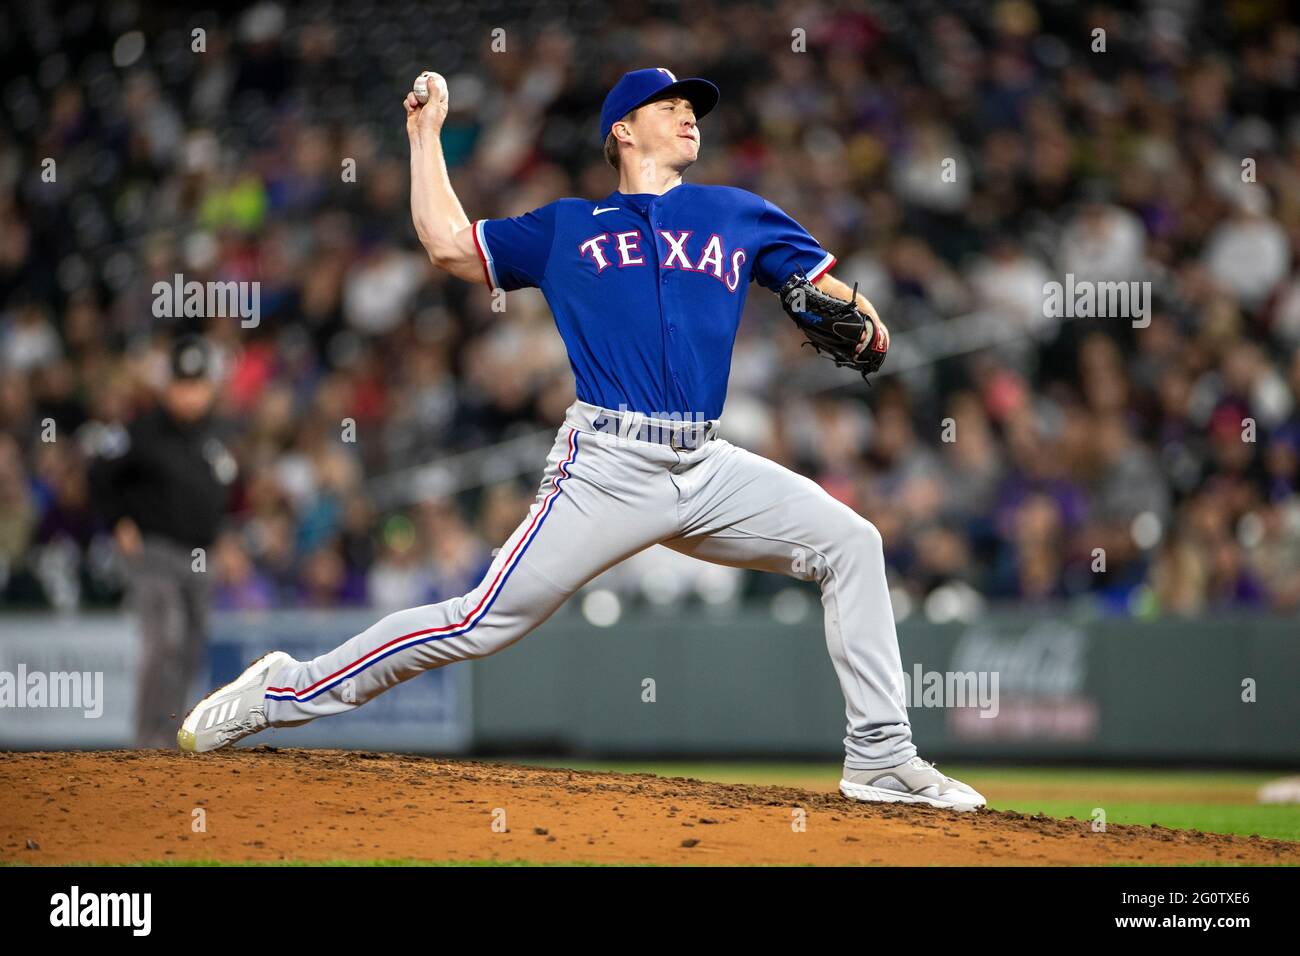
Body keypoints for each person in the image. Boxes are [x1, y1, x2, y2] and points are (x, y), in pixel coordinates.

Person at [178, 68, 985, 811]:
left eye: (693, 107)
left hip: (709, 462)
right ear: (622, 132)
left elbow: (850, 309)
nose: (687, 115)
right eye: (669, 106)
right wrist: (425, 136)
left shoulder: (738, 212)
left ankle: (879, 755)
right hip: (606, 465)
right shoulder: (568, 226)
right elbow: (447, 244)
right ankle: (284, 690)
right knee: (477, 621)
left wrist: (872, 332)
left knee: (853, 543)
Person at [91, 336, 235, 747]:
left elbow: (221, 494)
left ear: (208, 388)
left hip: (200, 557)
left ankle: (173, 737)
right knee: (165, 639)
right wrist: (117, 519)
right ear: (168, 386)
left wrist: (223, 537)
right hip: (154, 551)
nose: (190, 395)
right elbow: (99, 474)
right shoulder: (141, 430)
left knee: (192, 644)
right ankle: (147, 740)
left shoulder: (214, 434)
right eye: (182, 385)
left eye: (197, 386)